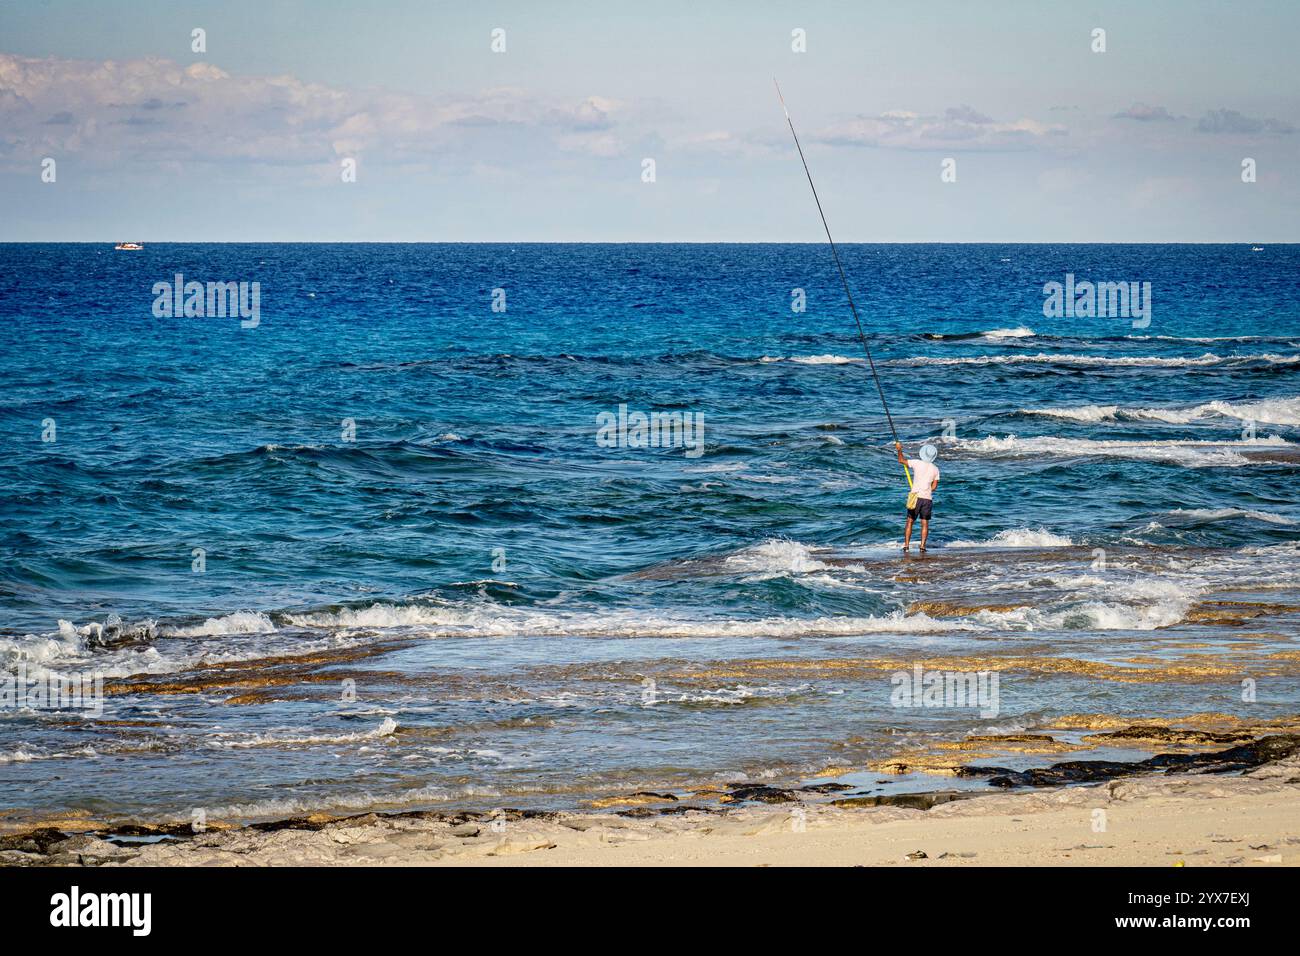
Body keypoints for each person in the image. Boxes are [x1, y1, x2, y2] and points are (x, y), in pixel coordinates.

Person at [895, 441, 940, 553]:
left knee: (910, 521)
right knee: (924, 523)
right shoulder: (935, 469)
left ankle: (906, 546)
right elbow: (934, 487)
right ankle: (922, 546)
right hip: (927, 498)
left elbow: (901, 460)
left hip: (915, 497)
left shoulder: (917, 463)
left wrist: (899, 449)